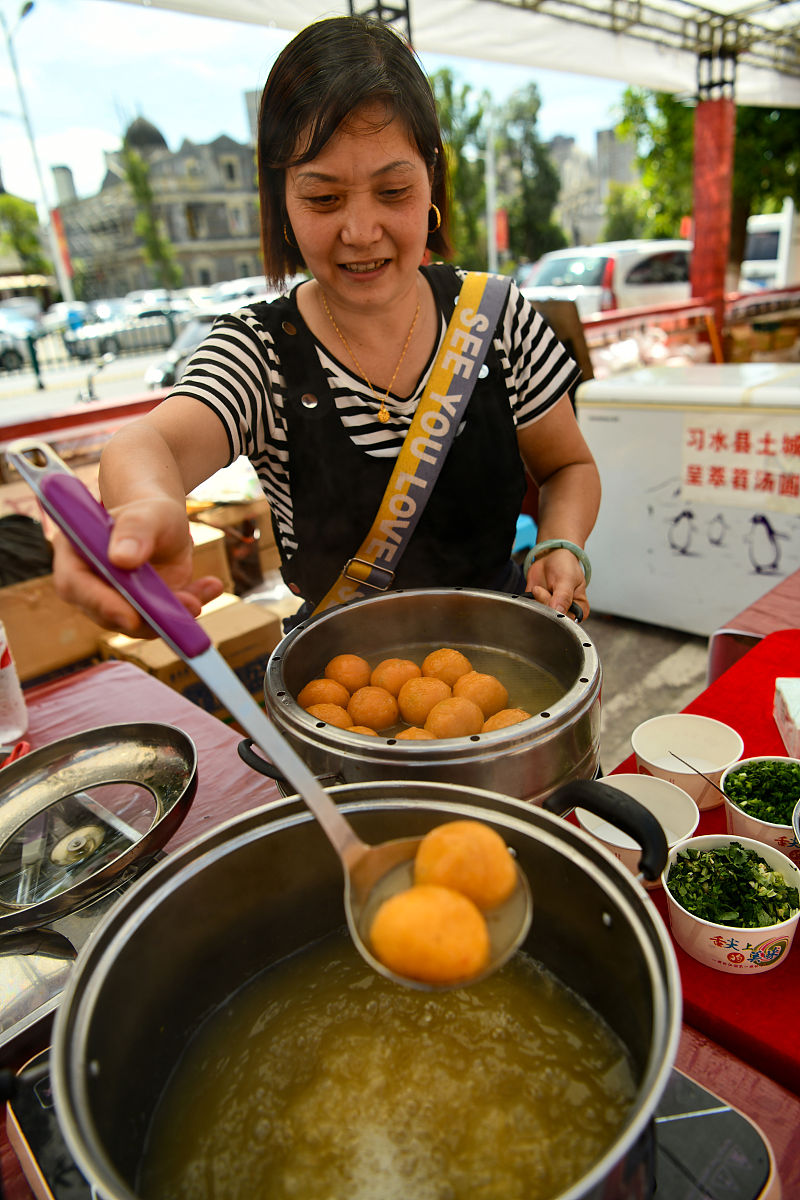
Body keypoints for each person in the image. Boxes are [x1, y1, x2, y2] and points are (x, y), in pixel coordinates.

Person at [53, 15, 601, 637]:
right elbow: (148, 445)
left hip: (508, 655)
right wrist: (143, 507)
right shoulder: (259, 352)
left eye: (393, 191)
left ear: (431, 181)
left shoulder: (497, 318)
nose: (361, 232)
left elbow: (568, 467)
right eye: (323, 198)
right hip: (336, 677)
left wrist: (561, 543)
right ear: (282, 201)